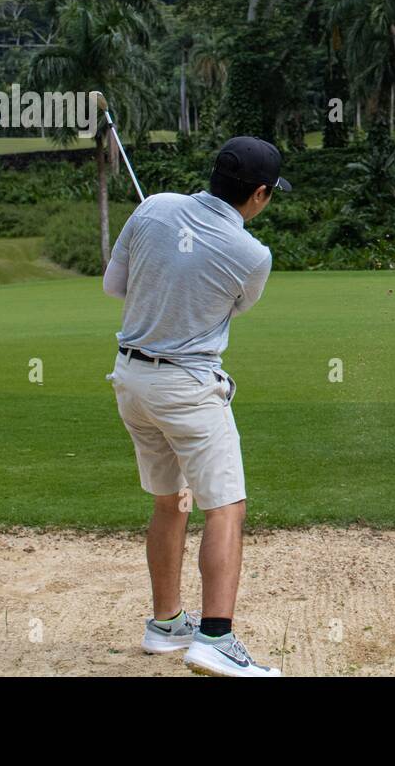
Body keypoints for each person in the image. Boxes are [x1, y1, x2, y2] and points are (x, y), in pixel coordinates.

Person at [102, 136, 290, 677]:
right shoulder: (253, 256)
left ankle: (166, 625)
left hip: (131, 381)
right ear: (258, 194)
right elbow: (233, 309)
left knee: (171, 502)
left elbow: (115, 286)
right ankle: (215, 638)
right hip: (187, 387)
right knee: (225, 506)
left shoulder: (153, 206)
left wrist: (160, 268)